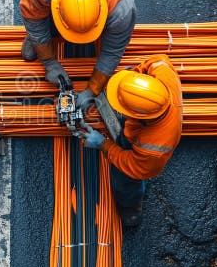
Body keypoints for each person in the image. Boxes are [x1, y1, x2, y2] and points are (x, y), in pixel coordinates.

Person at [76, 54, 183, 226]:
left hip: (139, 159)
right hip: (140, 107)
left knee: (126, 178)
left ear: (137, 116)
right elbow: (156, 60)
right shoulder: (164, 74)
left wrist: (103, 144)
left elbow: (132, 165)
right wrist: (133, 76)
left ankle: (130, 205)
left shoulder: (153, 146)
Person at [20, 0, 136, 109]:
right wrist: (49, 62)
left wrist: (91, 91)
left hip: (112, 5)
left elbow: (111, 52)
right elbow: (33, 19)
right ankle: (49, 28)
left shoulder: (122, 11)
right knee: (31, 49)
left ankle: (48, 35)